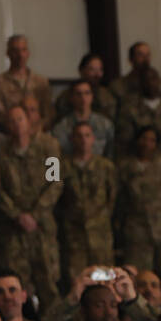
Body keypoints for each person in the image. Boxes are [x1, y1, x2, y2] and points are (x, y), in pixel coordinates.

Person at [0, 103, 62, 310]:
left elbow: (56, 182)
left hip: (42, 226)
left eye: (20, 119)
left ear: (29, 121)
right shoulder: (0, 152)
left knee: (48, 282)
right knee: (15, 284)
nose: (17, 125)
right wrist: (17, 214)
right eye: (11, 121)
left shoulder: (48, 147)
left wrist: (36, 214)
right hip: (12, 228)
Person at [115, 126, 161, 283]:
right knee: (138, 276)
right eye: (143, 139)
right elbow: (120, 198)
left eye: (152, 140)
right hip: (137, 228)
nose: (147, 144)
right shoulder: (125, 167)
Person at [57, 122, 117, 285]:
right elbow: (51, 193)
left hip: (100, 234)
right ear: (71, 139)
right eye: (79, 136)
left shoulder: (106, 166)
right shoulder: (57, 165)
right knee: (75, 279)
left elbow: (113, 197)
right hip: (72, 234)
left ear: (94, 139)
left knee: (105, 279)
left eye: (87, 135)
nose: (83, 140)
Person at [0, 34, 53, 133]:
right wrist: (18, 128)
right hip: (8, 137)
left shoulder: (41, 82)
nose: (20, 55)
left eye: (23, 50)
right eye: (15, 51)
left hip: (38, 136)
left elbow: (48, 114)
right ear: (8, 53)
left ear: (28, 53)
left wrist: (33, 130)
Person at [116, 66, 161, 161]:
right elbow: (123, 141)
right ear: (140, 82)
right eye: (146, 79)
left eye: (153, 79)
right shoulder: (130, 108)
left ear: (159, 81)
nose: (150, 83)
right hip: (140, 164)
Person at [52, 80, 114, 158]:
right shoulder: (62, 127)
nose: (83, 98)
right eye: (78, 94)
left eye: (87, 93)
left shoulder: (105, 124)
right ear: (71, 97)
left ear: (92, 96)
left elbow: (110, 153)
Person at [54, 52, 116, 122]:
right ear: (81, 71)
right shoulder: (66, 96)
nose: (97, 74)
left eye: (100, 70)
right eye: (92, 69)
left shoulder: (107, 96)